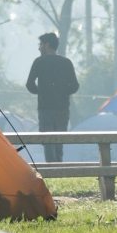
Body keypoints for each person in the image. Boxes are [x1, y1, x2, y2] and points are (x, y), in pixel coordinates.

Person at [25, 32, 80, 163]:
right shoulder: (66, 62)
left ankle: (51, 167)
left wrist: (42, 92)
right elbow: (75, 86)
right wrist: (62, 92)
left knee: (48, 141)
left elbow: (29, 84)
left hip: (45, 108)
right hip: (63, 108)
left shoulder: (39, 62)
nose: (39, 48)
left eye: (40, 44)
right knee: (59, 141)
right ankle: (58, 167)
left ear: (47, 45)